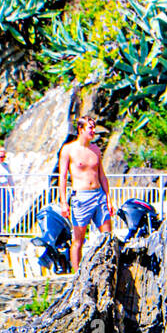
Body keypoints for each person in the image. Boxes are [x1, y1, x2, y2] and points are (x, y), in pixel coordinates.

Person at [58, 115, 112, 272]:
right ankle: (76, 275)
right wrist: (63, 202)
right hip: (81, 197)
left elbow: (102, 175)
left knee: (107, 236)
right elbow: (62, 177)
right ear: (81, 129)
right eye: (90, 128)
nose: (93, 131)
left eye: (94, 127)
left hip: (99, 195)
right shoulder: (68, 150)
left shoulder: (95, 150)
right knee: (78, 240)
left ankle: (107, 270)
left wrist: (108, 198)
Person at [0, 142, 15, 233]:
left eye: (4, 156)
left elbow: (10, 178)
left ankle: (1, 227)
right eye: (1, 155)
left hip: (4, 189)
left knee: (6, 209)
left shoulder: (6, 165)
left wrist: (12, 189)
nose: (3, 157)